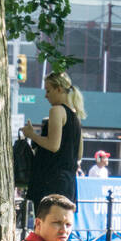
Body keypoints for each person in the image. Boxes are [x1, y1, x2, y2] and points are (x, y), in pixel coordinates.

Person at [22, 72, 84, 215]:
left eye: (48, 90)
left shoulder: (56, 110)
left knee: (46, 226)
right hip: (68, 182)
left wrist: (31, 135)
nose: (46, 95)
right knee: (61, 226)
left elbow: (53, 145)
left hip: (50, 179)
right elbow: (79, 153)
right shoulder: (76, 116)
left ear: (59, 89)